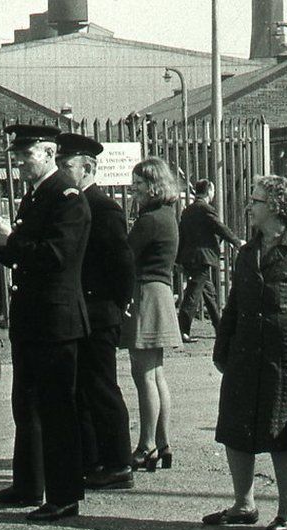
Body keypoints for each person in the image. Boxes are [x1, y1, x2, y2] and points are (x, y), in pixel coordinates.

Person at [204, 175, 287, 530]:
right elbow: (233, 305)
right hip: (244, 353)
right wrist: (222, 345)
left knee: (282, 433)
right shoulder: (247, 252)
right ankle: (244, 505)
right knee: (234, 427)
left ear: (275, 207)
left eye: (255, 201)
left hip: (286, 358)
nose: (249, 207)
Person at [0, 124, 90, 521]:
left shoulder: (66, 197)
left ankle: (63, 495)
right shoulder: (36, 196)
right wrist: (2, 244)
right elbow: (23, 256)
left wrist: (10, 240)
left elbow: (55, 256)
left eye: (25, 154)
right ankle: (28, 483)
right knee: (26, 405)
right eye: (16, 154)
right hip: (32, 316)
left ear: (48, 153)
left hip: (56, 319)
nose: (17, 161)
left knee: (57, 410)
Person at [55, 133, 136, 490]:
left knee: (102, 388)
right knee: (83, 387)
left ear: (87, 168)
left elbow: (122, 265)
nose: (60, 170)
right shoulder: (71, 203)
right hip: (81, 309)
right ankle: (94, 457)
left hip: (99, 310)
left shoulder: (104, 208)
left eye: (66, 165)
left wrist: (114, 305)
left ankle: (119, 462)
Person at [121, 157, 181, 473]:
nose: (134, 190)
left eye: (139, 185)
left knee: (143, 374)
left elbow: (125, 257)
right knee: (156, 373)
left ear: (153, 185)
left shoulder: (149, 220)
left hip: (144, 292)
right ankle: (163, 442)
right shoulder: (167, 215)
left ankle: (147, 446)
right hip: (159, 292)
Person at [176, 178, 245, 343]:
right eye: (213, 191)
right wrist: (237, 242)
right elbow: (220, 228)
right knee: (193, 293)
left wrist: (178, 260)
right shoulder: (206, 209)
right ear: (209, 192)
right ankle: (182, 329)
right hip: (202, 258)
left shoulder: (187, 210)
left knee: (210, 293)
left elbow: (182, 235)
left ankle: (220, 328)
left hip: (190, 257)